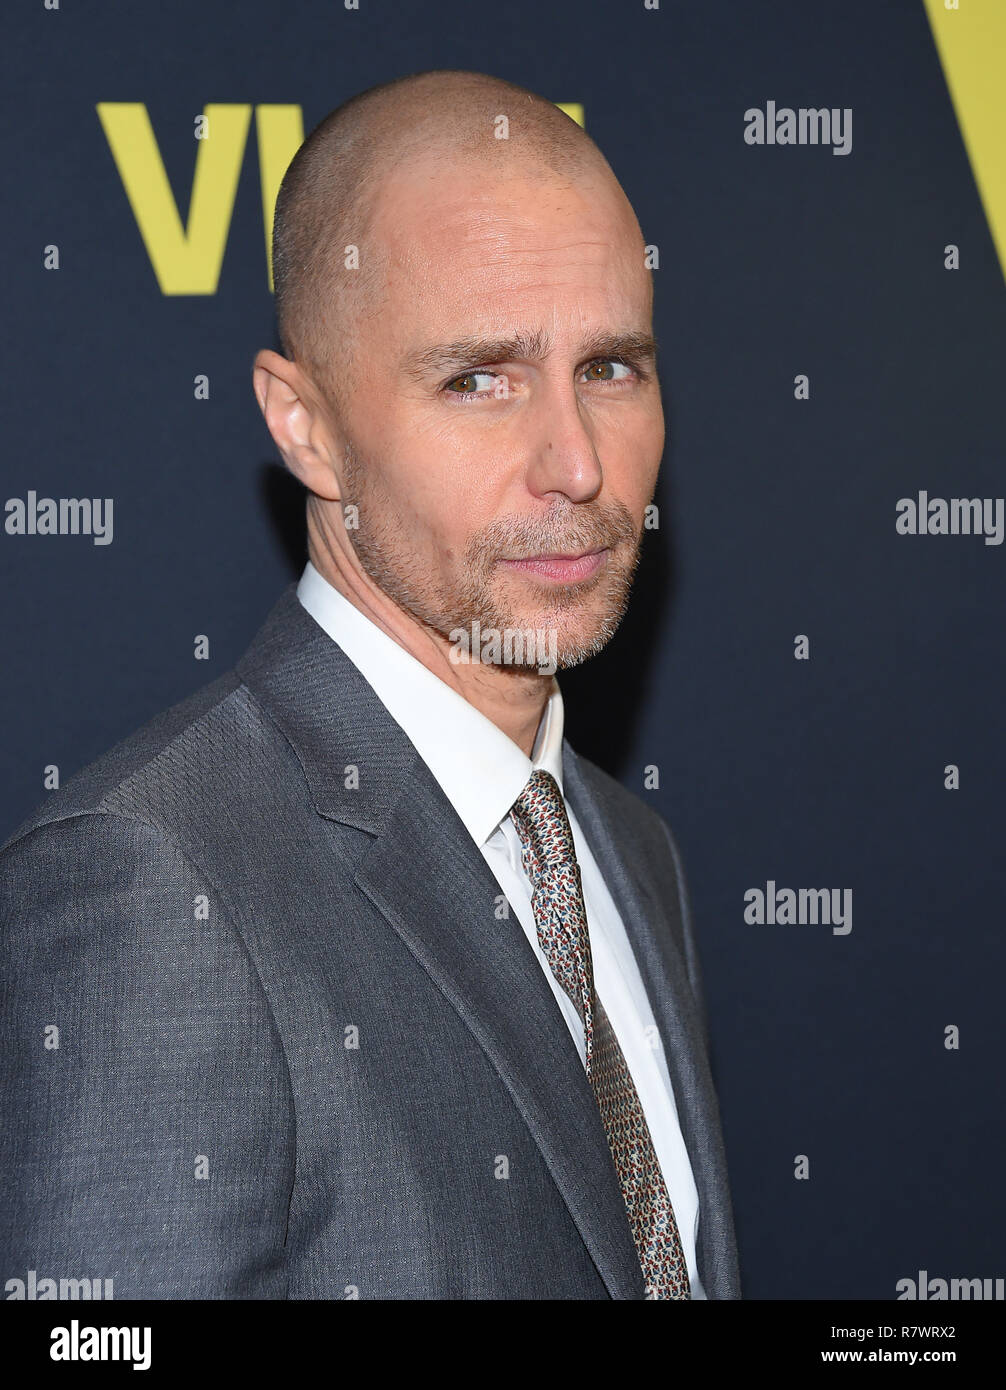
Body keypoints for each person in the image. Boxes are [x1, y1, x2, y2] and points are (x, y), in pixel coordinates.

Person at [0, 69, 740, 1300]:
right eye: (478, 379)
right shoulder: (153, 880)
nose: (576, 462)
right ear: (306, 426)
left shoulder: (624, 848)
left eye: (610, 367)